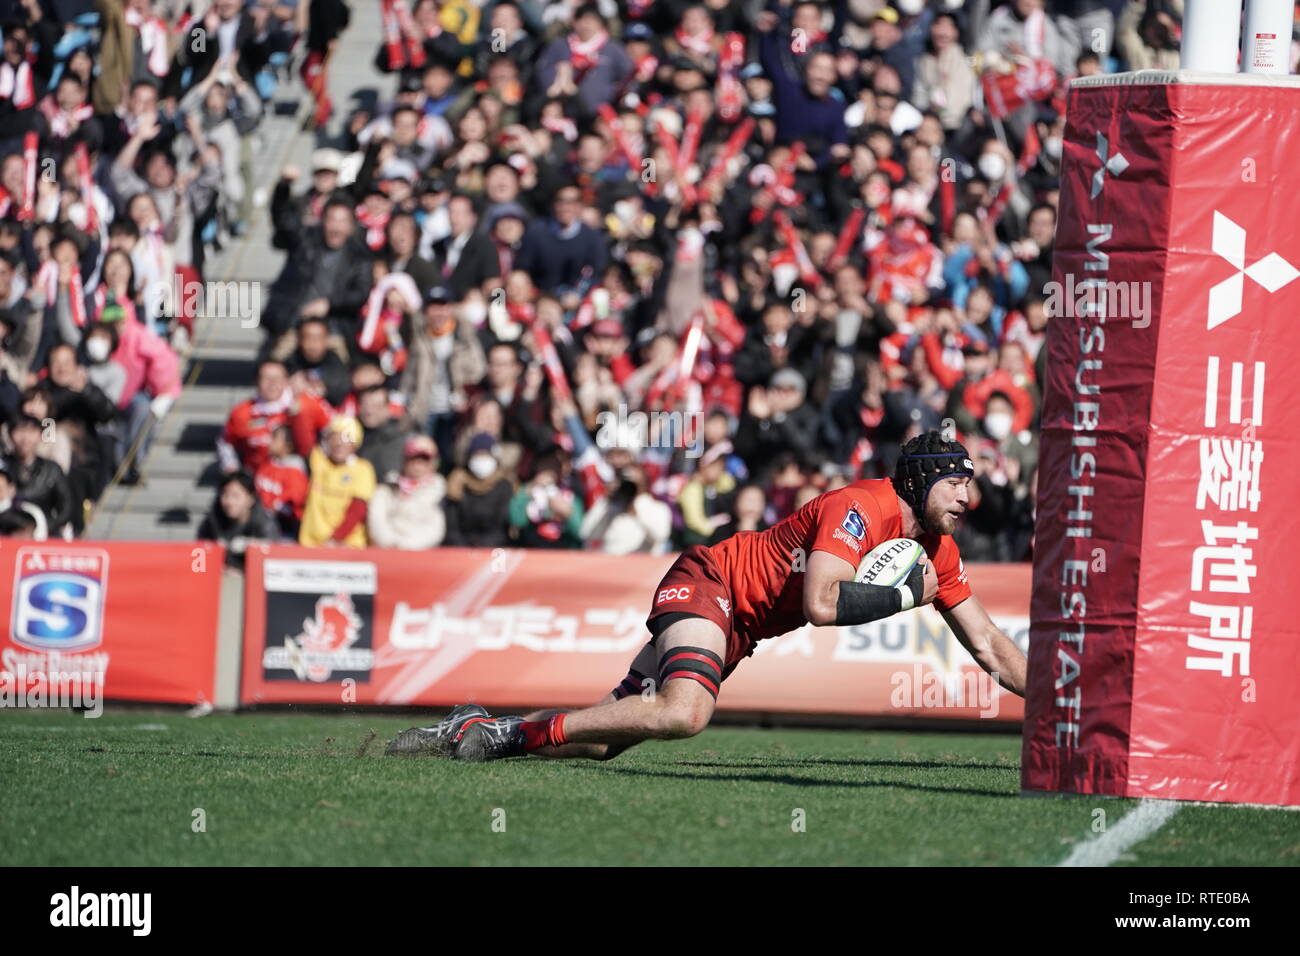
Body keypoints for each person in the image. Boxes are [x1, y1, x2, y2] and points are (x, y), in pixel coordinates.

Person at [388, 431, 1027, 759]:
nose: (966, 497)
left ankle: (478, 727)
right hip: (713, 581)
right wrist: (903, 598)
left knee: (603, 739)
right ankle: (502, 738)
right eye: (955, 483)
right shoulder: (859, 506)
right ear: (919, 480)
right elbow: (822, 604)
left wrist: (1063, 700)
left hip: (738, 626)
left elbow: (994, 648)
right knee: (683, 713)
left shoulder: (938, 552)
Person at [299, 416, 378, 548]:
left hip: (346, 546)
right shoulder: (319, 461)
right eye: (334, 438)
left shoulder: (362, 469)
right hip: (311, 544)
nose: (339, 444)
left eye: (346, 438)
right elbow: (303, 440)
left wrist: (336, 538)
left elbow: (358, 508)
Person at [367, 434, 447, 550]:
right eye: (413, 459)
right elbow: (377, 521)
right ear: (405, 460)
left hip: (420, 553)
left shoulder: (438, 491)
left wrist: (407, 546)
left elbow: (436, 529)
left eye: (424, 460)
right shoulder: (387, 489)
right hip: (387, 551)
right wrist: (390, 543)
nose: (418, 465)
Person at [198, 470, 280, 568]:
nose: (229, 502)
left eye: (235, 496)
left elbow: (273, 557)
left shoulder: (265, 525)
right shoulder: (211, 522)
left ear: (251, 499)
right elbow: (199, 559)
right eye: (225, 495)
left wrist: (250, 546)